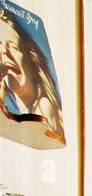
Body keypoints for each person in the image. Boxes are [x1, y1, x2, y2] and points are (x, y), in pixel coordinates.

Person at [0, 10, 64, 141]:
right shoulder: (23, 111)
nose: (4, 53)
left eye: (13, 47)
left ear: (32, 57)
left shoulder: (44, 107)